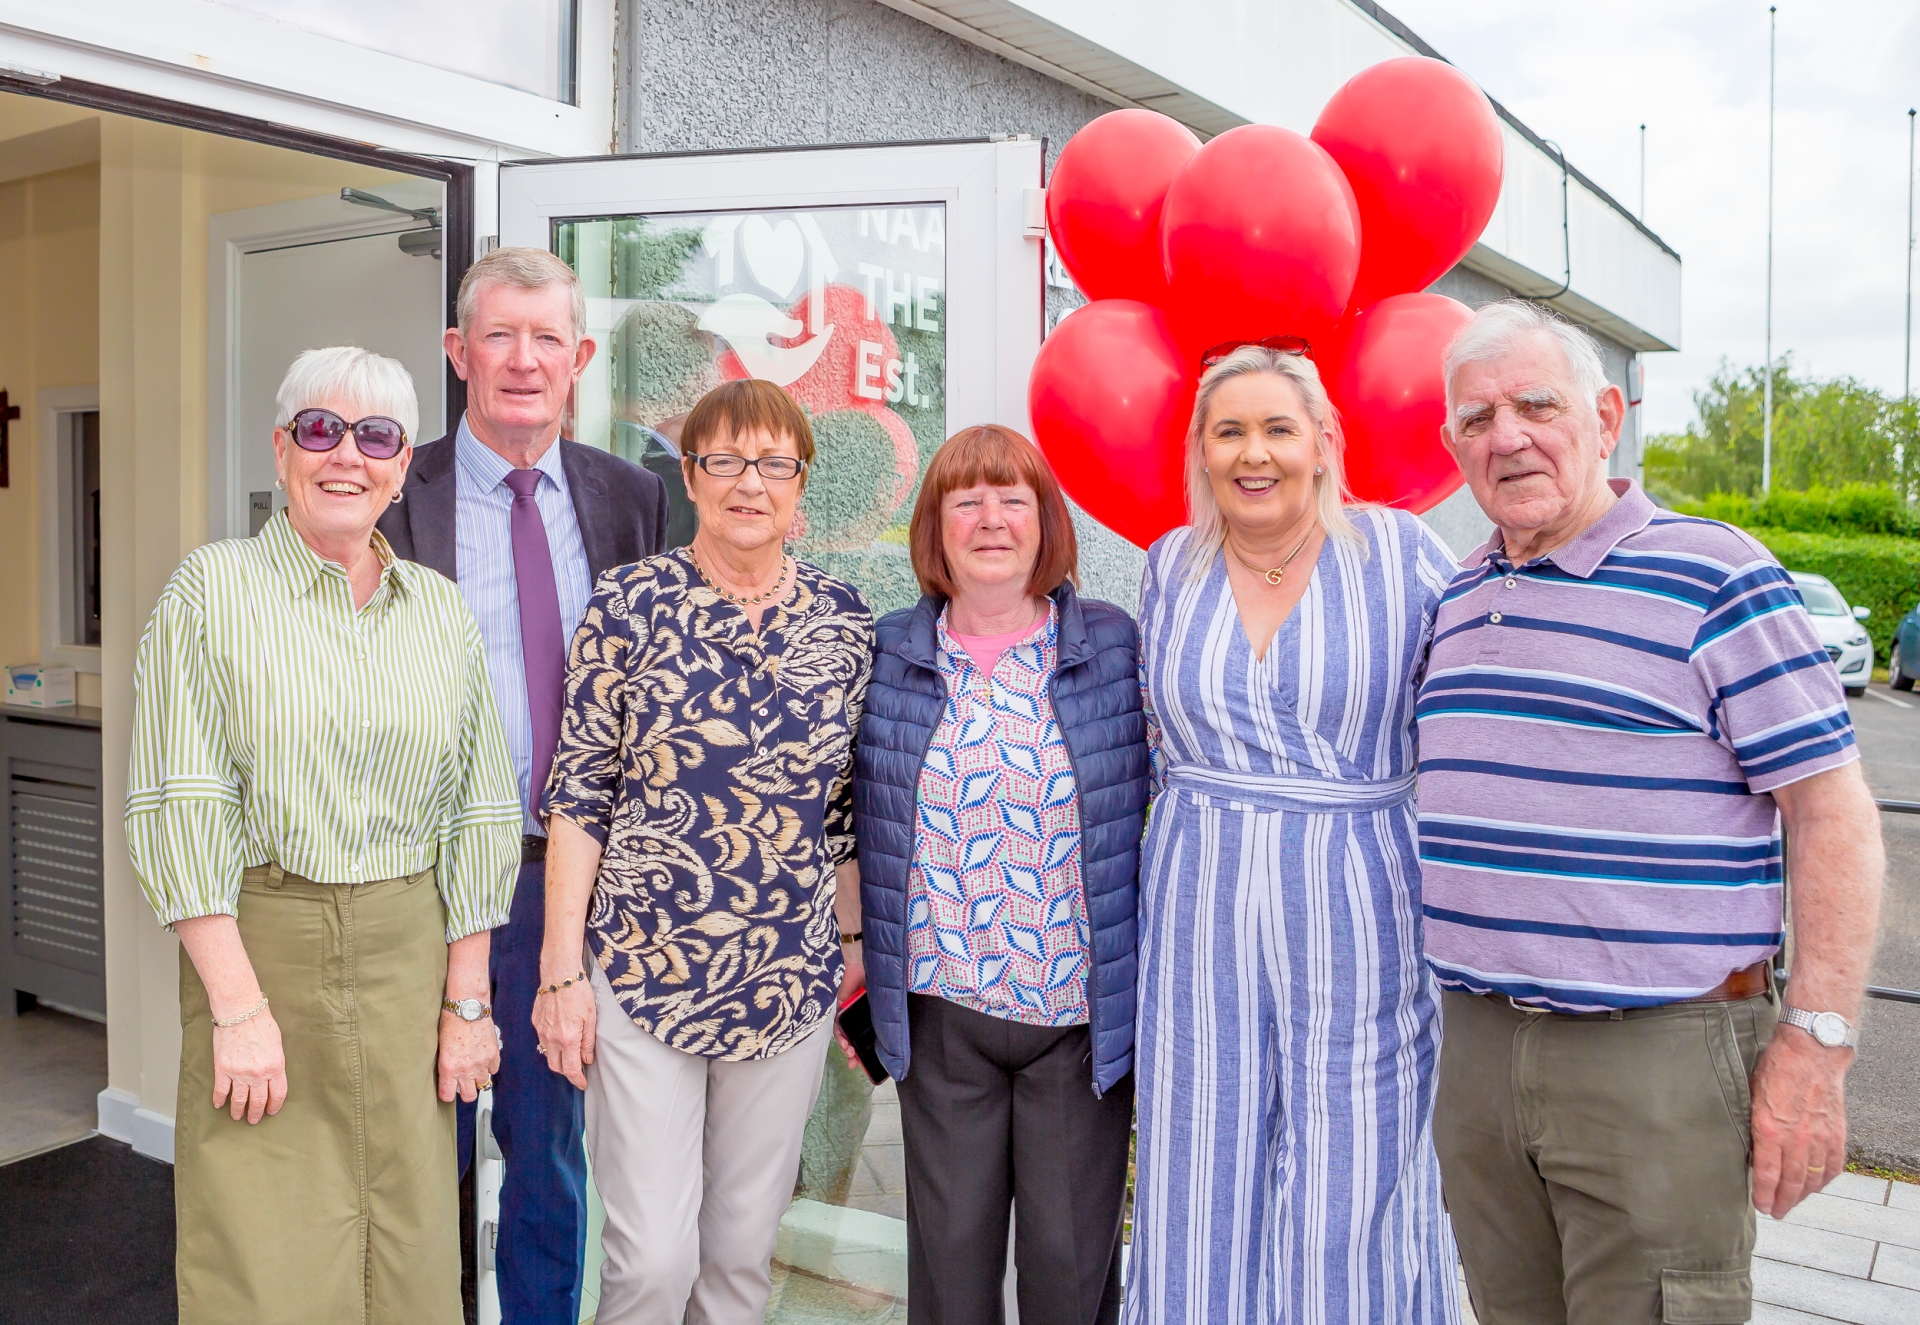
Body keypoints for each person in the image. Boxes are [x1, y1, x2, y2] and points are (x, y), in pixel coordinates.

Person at [1418, 299, 1884, 1325]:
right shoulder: (1459, 594)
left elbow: (1832, 812)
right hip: (1480, 1050)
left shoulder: (1717, 575)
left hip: (1658, 1056)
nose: (1507, 436)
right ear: (1451, 443)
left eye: (1535, 405)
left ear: (1605, 417)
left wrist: (1818, 1043)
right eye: (1477, 417)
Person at [125, 346, 522, 1322]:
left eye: (377, 434)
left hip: (408, 958)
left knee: (411, 1245)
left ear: (401, 464)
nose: (347, 453)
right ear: (282, 446)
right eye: (320, 428)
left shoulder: (437, 610)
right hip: (263, 955)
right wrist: (236, 1008)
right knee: (262, 1255)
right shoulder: (209, 592)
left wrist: (467, 1002)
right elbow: (183, 802)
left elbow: (478, 806)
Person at [1126, 345, 1461, 1324]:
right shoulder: (1168, 567)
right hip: (1197, 903)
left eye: (1278, 427)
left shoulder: (1402, 555)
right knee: (1198, 1151)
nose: (1253, 452)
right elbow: (1143, 739)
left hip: (1362, 906)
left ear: (1324, 442)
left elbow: (1468, 715)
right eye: (1229, 430)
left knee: (1356, 1156)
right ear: (1200, 449)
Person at [533, 377, 875, 1324]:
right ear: (690, 476)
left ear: (801, 485)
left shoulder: (845, 623)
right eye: (724, 459)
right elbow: (579, 792)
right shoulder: (629, 602)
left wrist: (850, 951)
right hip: (644, 969)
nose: (749, 483)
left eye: (774, 463)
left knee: (737, 1265)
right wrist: (563, 973)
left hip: (786, 977)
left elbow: (841, 808)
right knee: (650, 1261)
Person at [377, 245, 668, 1324]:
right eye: (498, 335)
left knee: (549, 1154)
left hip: (569, 892)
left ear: (581, 356)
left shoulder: (632, 498)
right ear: (458, 353)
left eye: (547, 337)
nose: (523, 360)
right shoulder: (398, 486)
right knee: (425, 1148)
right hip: (428, 882)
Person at [852, 425, 1150, 1325]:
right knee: (950, 1280)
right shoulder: (891, 652)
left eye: (1012, 498)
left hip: (1076, 1021)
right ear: (935, 527)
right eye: (965, 500)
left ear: (1046, 519)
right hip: (944, 1021)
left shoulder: (1111, 647)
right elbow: (841, 811)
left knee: (1069, 1276)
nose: (990, 519)